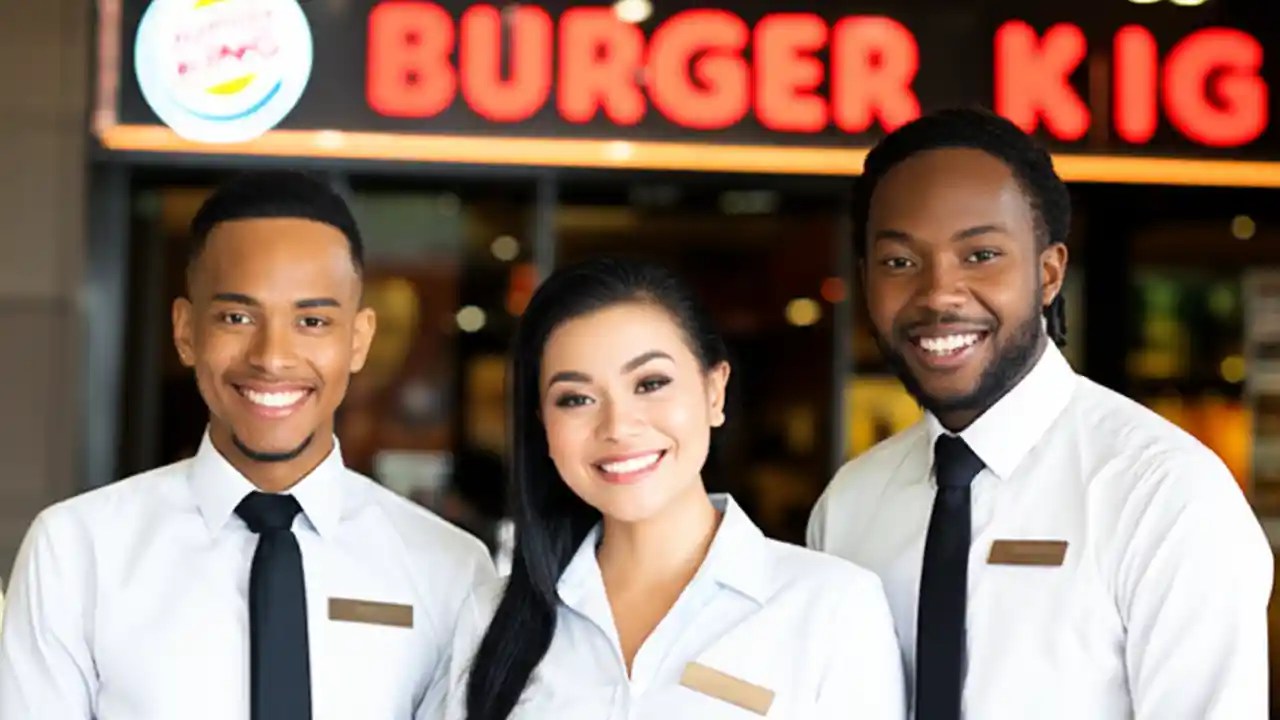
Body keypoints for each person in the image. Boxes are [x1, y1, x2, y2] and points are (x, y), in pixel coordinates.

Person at [807, 108, 1274, 719]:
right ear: (866, 280)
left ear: (1049, 272)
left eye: (980, 255)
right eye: (900, 262)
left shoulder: (1163, 493)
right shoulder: (850, 504)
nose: (939, 293)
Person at [0, 171, 496, 720]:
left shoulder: (449, 570)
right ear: (186, 331)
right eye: (237, 317)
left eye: (312, 320)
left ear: (358, 340)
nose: (271, 356)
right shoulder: (76, 552)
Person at [445, 257, 906, 720]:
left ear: (714, 392)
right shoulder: (492, 616)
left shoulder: (831, 607)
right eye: (577, 399)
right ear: (543, 424)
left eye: (650, 384)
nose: (619, 426)